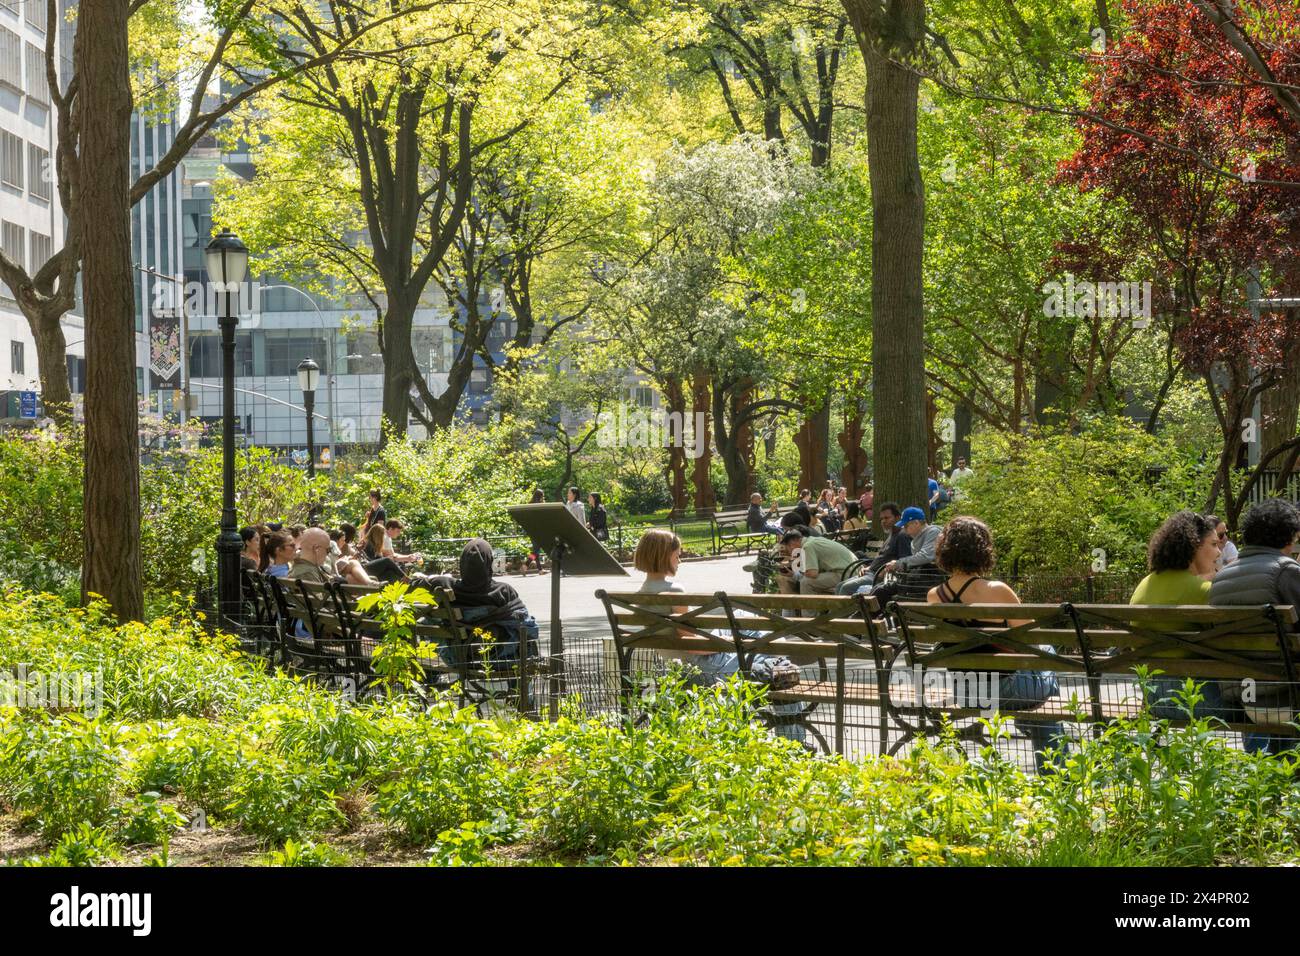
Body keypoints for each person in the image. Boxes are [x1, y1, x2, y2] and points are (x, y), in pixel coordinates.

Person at [632, 529, 804, 743]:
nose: (680, 561)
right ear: (663, 556)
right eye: (677, 555)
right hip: (703, 666)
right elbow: (693, 647)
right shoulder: (674, 591)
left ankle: (775, 647)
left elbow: (684, 637)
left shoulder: (638, 595)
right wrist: (732, 644)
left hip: (675, 665)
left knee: (740, 616)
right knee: (781, 673)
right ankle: (793, 743)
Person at [926, 516, 1063, 773]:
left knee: (1044, 683)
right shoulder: (997, 590)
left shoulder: (934, 595)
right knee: (1049, 655)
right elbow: (1032, 639)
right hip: (1006, 689)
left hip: (965, 692)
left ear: (945, 550)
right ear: (982, 550)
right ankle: (1055, 772)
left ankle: (1030, 723)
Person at [1208, 498, 1300, 753]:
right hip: (1286, 693)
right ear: (1290, 537)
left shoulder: (1221, 578)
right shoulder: (1286, 571)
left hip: (1241, 697)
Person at [1129, 510, 1221, 722]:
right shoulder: (1204, 590)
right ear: (1194, 546)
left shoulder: (1144, 585)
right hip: (1198, 701)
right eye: (1214, 544)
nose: (1218, 552)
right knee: (1260, 705)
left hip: (1153, 699)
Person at [423, 538, 539, 667]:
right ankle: (518, 687)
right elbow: (528, 627)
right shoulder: (503, 591)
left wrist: (433, 579)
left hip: (456, 657)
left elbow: (415, 583)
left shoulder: (446, 587)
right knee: (525, 639)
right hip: (497, 658)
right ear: (489, 563)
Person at [836, 502, 913, 595]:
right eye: (881, 519)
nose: (883, 521)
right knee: (840, 585)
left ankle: (840, 609)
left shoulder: (902, 536)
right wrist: (869, 567)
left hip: (879, 577)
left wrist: (884, 571)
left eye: (887, 518)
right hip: (871, 572)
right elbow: (883, 558)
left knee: (846, 588)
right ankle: (839, 609)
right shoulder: (891, 535)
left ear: (897, 518)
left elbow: (903, 561)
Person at [779, 526, 858, 595]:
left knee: (805, 583)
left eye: (788, 547)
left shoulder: (807, 546)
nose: (790, 551)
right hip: (853, 570)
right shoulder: (813, 540)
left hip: (846, 574)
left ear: (792, 543)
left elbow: (813, 574)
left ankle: (809, 612)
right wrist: (794, 574)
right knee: (807, 581)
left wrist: (797, 571)